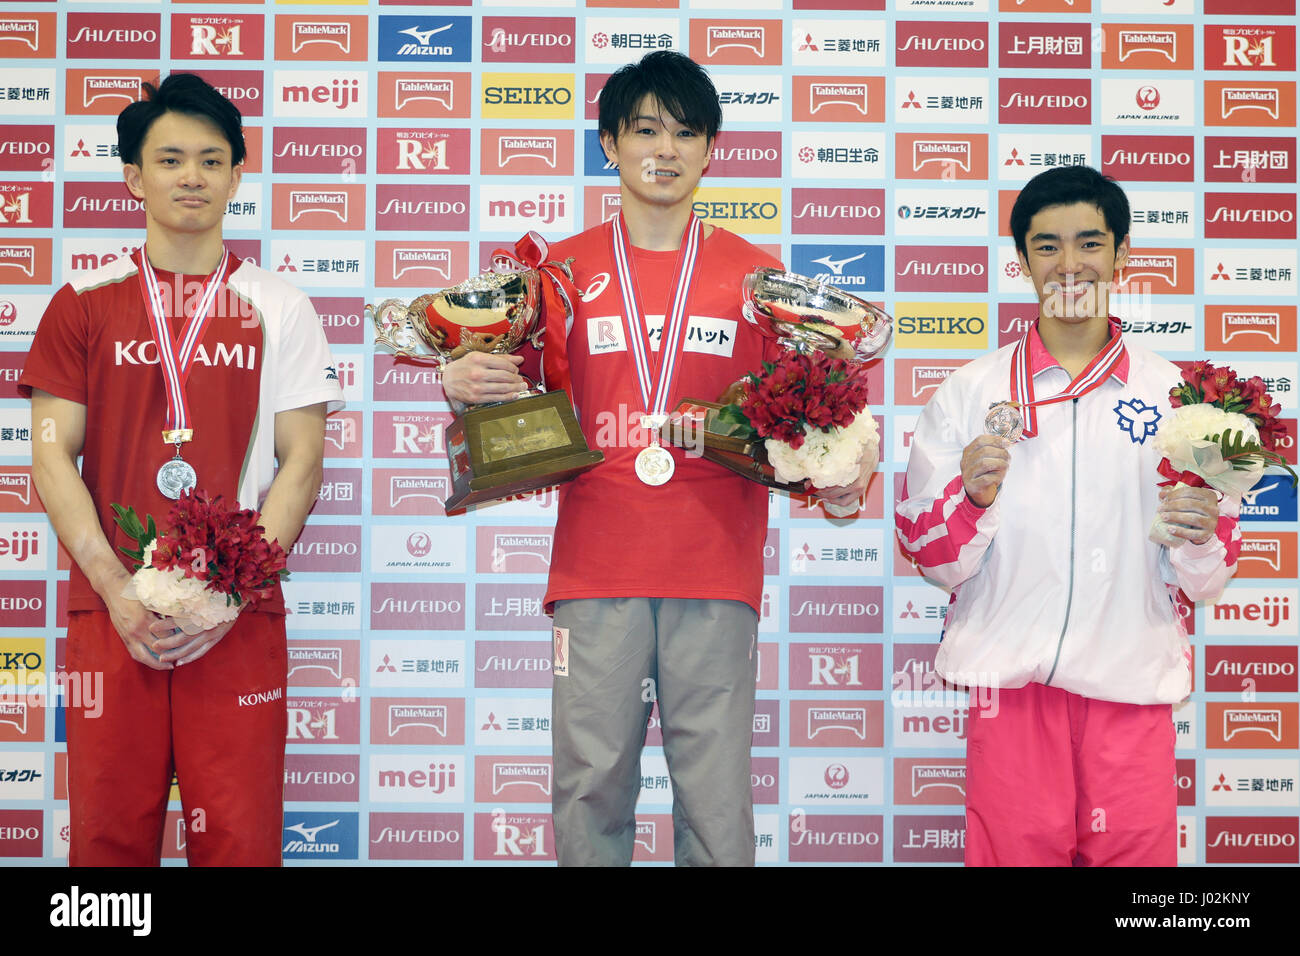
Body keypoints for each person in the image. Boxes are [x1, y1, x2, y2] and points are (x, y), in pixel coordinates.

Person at [444, 50, 877, 866]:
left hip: (714, 562)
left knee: (714, 797)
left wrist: (843, 461)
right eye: (645, 130)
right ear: (610, 143)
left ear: (711, 148)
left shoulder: (758, 277)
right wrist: (460, 377)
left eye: (685, 132)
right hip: (595, 564)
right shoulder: (555, 275)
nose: (665, 149)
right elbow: (505, 395)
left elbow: (805, 415)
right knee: (590, 787)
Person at [20, 73, 344, 866]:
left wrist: (230, 592)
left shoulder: (281, 305)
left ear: (237, 174)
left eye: (210, 159)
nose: (191, 176)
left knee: (240, 840)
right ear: (135, 177)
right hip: (113, 610)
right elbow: (51, 453)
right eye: (170, 160)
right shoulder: (82, 301)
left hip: (238, 614)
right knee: (106, 838)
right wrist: (114, 587)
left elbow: (302, 461)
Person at [895, 165, 1239, 866]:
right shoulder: (969, 392)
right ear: (1022, 260)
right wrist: (971, 499)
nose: (1069, 264)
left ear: (1122, 253)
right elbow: (931, 559)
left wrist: (1201, 533)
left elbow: (1210, 573)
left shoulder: (1182, 396)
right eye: (1047, 246)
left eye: (1090, 242)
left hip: (1131, 683)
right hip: (1013, 689)